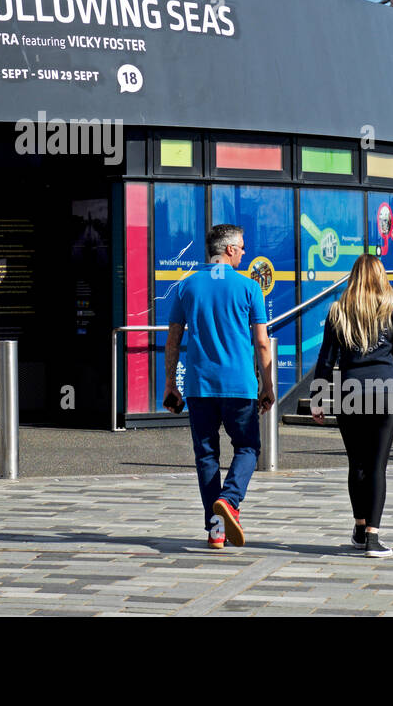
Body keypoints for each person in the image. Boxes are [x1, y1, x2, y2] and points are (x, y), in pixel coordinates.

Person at [163, 223, 275, 549]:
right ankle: (230, 500)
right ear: (228, 249)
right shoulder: (249, 288)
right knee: (248, 447)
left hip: (199, 386)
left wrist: (171, 383)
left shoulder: (186, 287)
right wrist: (267, 385)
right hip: (239, 385)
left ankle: (216, 531)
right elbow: (262, 343)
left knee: (207, 455)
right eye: (241, 247)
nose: (244, 252)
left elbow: (173, 340)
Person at [310, 254, 393, 558]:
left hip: (350, 393)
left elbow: (326, 360)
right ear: (380, 276)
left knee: (357, 465)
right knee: (376, 466)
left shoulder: (339, 311)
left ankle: (360, 528)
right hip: (385, 393)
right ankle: (373, 537)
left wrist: (317, 399)